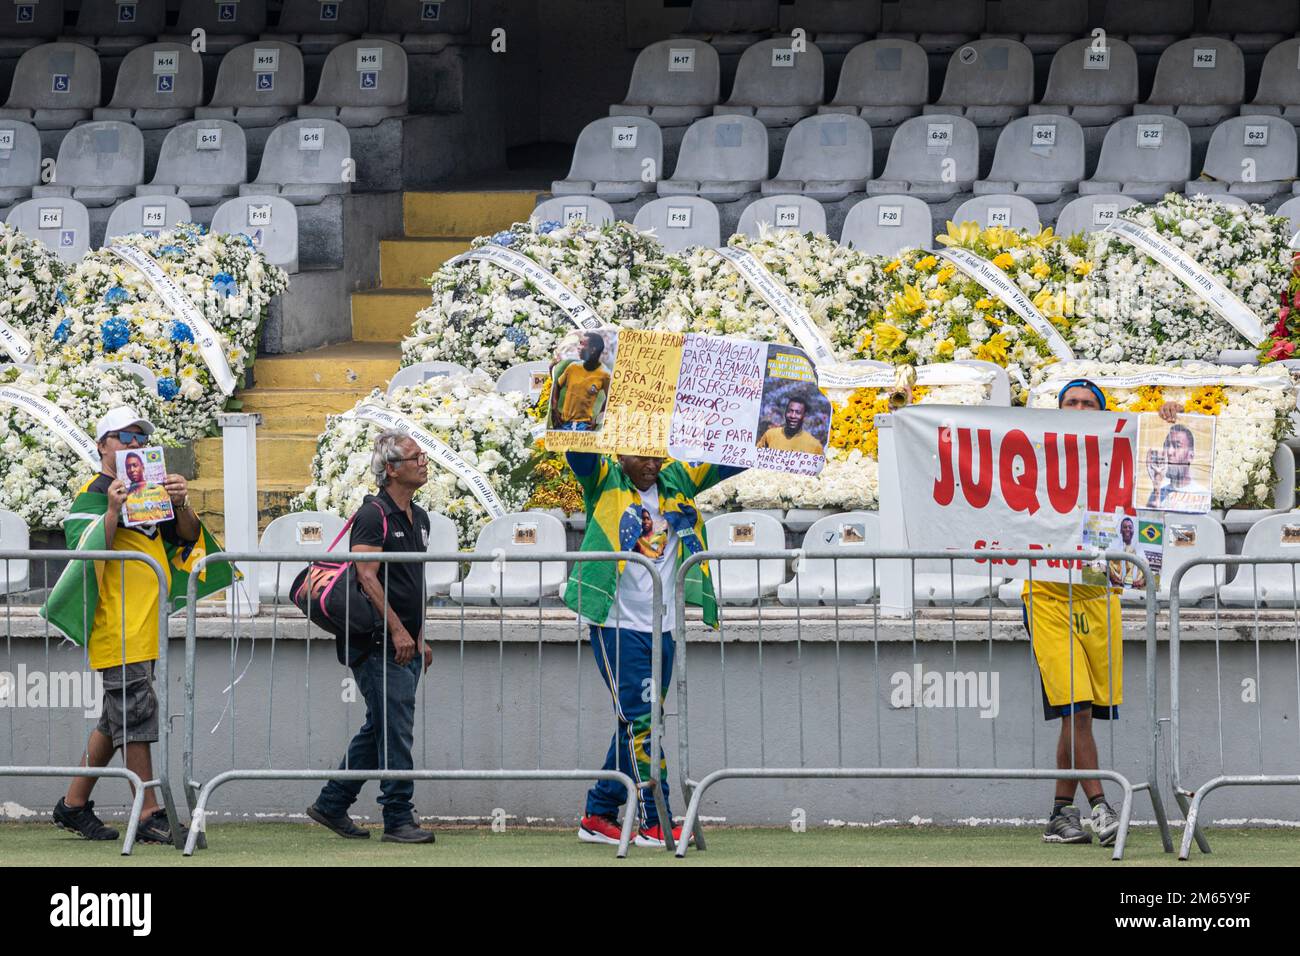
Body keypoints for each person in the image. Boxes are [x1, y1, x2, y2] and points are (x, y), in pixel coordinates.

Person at [1026, 380, 1179, 846]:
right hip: (1048, 594)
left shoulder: (1118, 459)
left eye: (1087, 403)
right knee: (1075, 708)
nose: (1077, 408)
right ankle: (1099, 808)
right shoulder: (1039, 454)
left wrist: (1166, 421)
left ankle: (1058, 814)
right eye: (1069, 402)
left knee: (1082, 715)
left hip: (1098, 595)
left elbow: (1162, 470)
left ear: (1101, 411)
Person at [48, 406, 208, 844]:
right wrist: (114, 509)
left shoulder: (151, 491)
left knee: (115, 718)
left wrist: (181, 503)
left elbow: (189, 537)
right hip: (116, 627)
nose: (134, 445)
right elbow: (82, 548)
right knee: (135, 713)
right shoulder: (94, 495)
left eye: (141, 439)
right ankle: (148, 810)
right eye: (124, 437)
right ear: (102, 446)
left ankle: (73, 805)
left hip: (146, 626)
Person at [566, 449, 742, 848]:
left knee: (640, 722)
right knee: (644, 723)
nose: (651, 465)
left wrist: (776, 424)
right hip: (618, 626)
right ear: (619, 454)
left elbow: (730, 453)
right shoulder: (605, 479)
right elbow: (577, 452)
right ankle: (653, 819)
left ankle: (598, 814)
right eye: (641, 457)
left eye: (657, 458)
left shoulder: (678, 480)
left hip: (663, 627)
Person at [309, 430, 436, 844]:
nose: (424, 462)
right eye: (415, 457)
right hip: (379, 643)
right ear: (392, 469)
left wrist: (420, 636)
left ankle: (331, 803)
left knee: (380, 727)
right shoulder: (373, 515)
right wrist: (399, 631)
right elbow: (366, 577)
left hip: (405, 643)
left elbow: (414, 583)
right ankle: (397, 817)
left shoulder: (420, 518)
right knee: (395, 730)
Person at [1145, 422, 1211, 511]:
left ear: (1190, 456)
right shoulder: (1159, 493)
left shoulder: (1203, 495)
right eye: (1167, 446)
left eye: (1177, 446)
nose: (1169, 452)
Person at [552, 332, 611, 431]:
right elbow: (557, 385)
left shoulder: (604, 374)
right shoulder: (572, 367)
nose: (578, 347)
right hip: (563, 423)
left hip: (584, 426)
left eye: (582, 344)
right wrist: (554, 408)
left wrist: (598, 420)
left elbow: (610, 398)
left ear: (592, 350)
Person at [755, 395, 824, 454]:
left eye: (798, 412)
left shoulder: (815, 445)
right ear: (785, 413)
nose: (793, 416)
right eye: (790, 411)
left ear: (804, 416)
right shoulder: (770, 435)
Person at [1107, 517, 1146, 590]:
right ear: (1121, 530)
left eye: (1130, 527)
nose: (1128, 529)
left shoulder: (1138, 547)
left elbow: (1146, 567)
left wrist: (1142, 581)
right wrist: (1113, 578)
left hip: (1133, 590)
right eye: (1125, 527)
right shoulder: (1114, 546)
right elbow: (1103, 565)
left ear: (1133, 530)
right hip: (1116, 588)